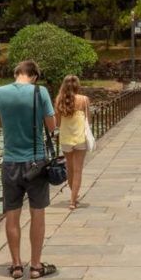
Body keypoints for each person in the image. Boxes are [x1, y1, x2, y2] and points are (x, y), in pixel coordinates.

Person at [0, 60, 58, 280]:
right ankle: (36, 266)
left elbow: (0, 124)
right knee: (37, 213)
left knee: (12, 214)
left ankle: (16, 264)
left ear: (16, 73)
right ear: (34, 76)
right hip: (36, 162)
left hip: (10, 161)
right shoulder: (40, 92)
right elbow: (52, 126)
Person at [55, 75, 90, 210]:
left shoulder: (59, 100)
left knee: (69, 169)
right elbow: (88, 120)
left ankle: (73, 196)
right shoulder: (84, 100)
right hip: (80, 138)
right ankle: (73, 201)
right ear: (78, 86)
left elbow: (57, 123)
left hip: (65, 138)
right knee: (78, 170)